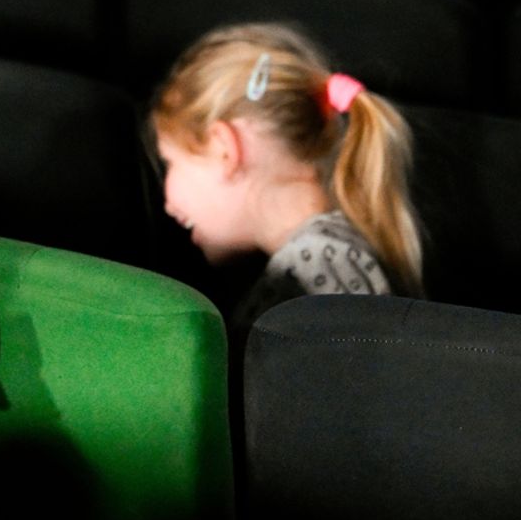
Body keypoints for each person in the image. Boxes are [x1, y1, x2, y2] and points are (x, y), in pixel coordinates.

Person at [147, 22, 424, 341]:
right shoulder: (324, 256)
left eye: (171, 162)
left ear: (225, 150)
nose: (167, 203)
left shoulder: (319, 267)